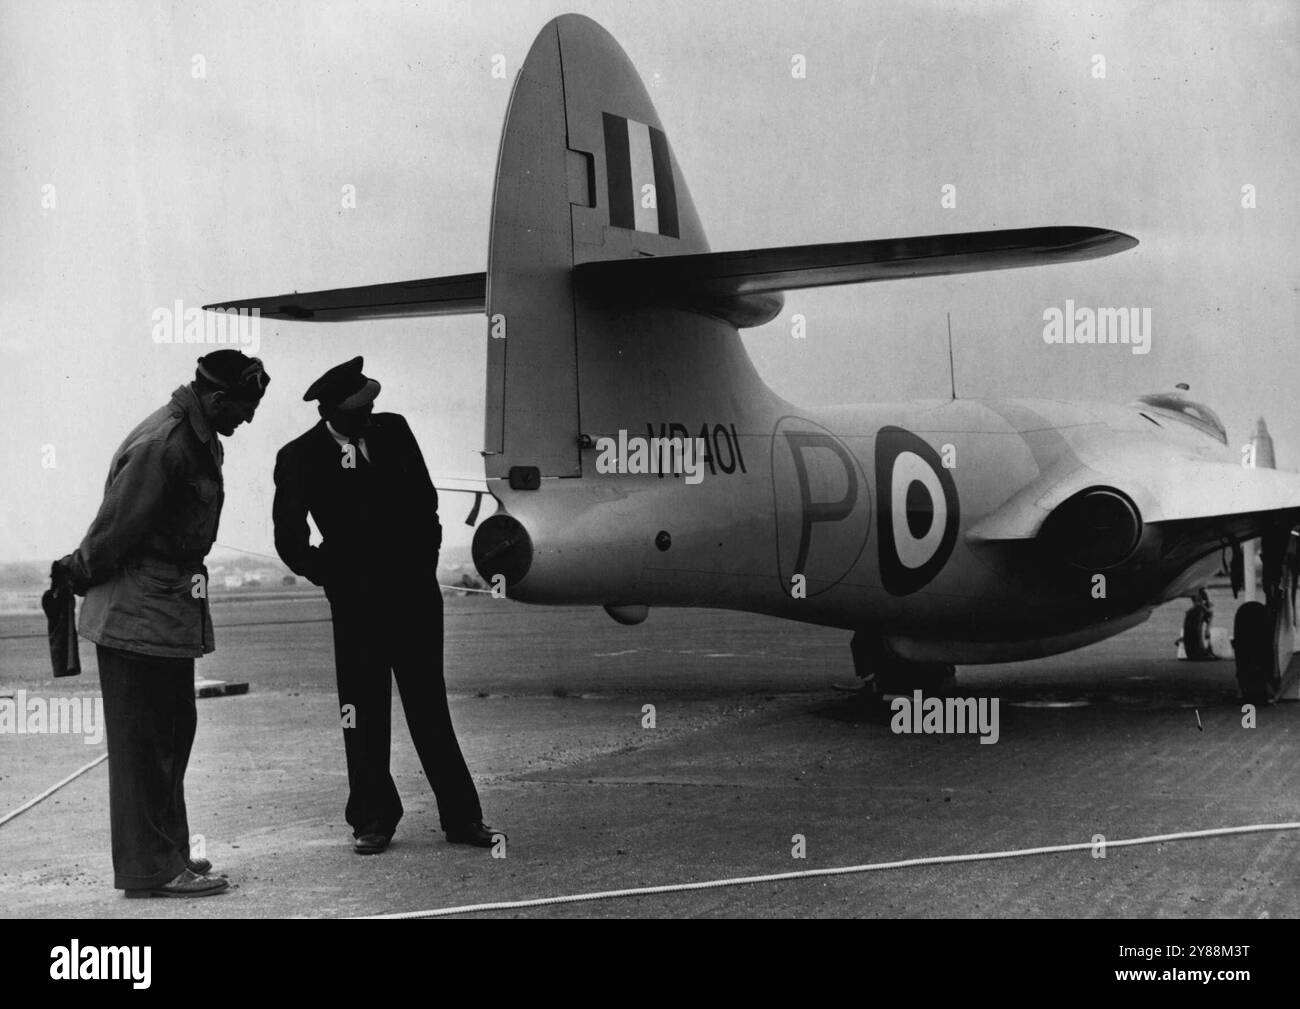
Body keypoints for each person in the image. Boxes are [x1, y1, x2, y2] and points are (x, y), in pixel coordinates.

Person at [57, 350, 269, 897]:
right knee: (143, 747)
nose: (246, 420)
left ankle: (169, 852)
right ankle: (150, 869)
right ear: (217, 399)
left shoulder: (196, 437)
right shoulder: (165, 444)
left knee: (172, 737)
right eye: (244, 408)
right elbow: (114, 532)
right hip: (136, 616)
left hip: (164, 612)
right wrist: (75, 575)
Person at [272, 357, 500, 854]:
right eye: (360, 408)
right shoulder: (299, 457)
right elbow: (289, 538)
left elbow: (426, 504)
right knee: (362, 711)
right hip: (355, 605)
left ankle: (463, 818)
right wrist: (328, 573)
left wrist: (425, 559)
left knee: (430, 707)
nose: (371, 413)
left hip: (414, 595)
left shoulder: (394, 430)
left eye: (371, 403)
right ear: (333, 411)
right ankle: (372, 821)